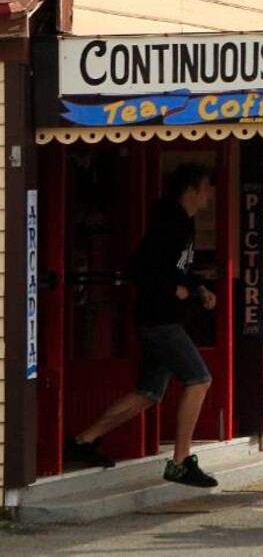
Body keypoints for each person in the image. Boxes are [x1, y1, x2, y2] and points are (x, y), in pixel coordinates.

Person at [64, 164, 220, 486]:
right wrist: (170, 289)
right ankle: (180, 461)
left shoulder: (183, 223)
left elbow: (173, 268)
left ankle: (83, 440)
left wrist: (197, 287)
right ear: (191, 189)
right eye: (207, 186)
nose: (211, 193)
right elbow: (139, 267)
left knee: (149, 392)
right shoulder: (170, 222)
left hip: (164, 318)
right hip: (160, 320)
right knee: (199, 378)